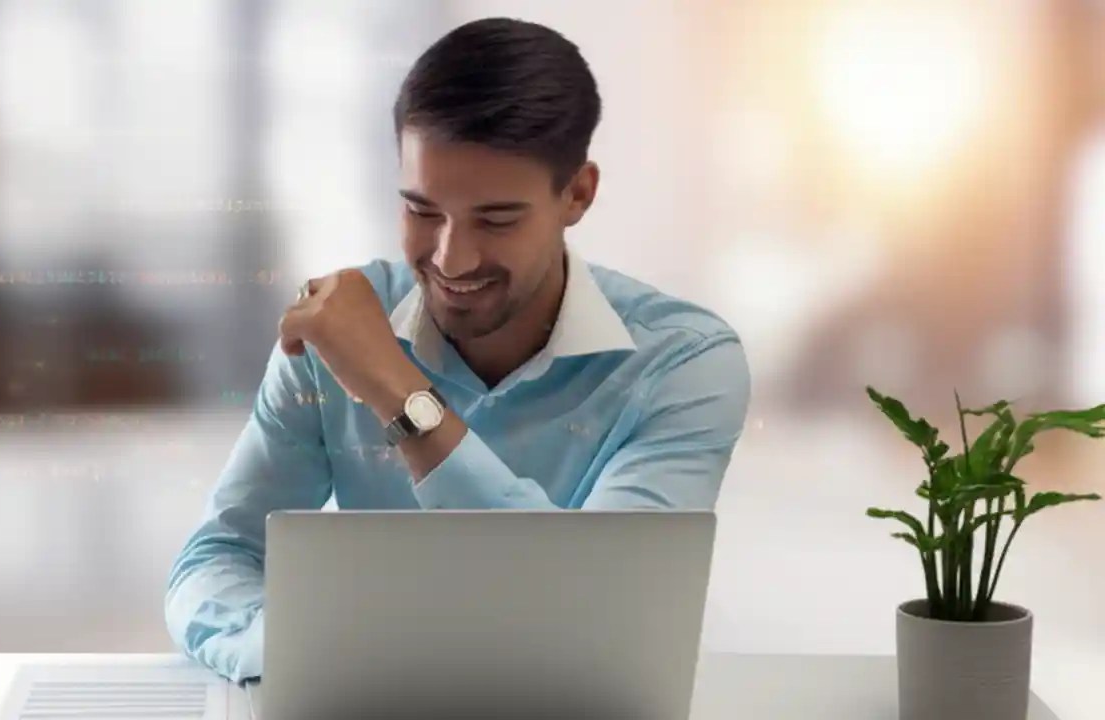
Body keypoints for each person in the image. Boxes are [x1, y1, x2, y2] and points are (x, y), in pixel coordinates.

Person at [164, 16, 752, 683]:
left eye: (496, 220)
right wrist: (300, 658)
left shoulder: (683, 363)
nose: (451, 257)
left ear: (578, 195)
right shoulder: (335, 327)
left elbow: (596, 611)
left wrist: (399, 394)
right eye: (422, 210)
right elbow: (215, 559)